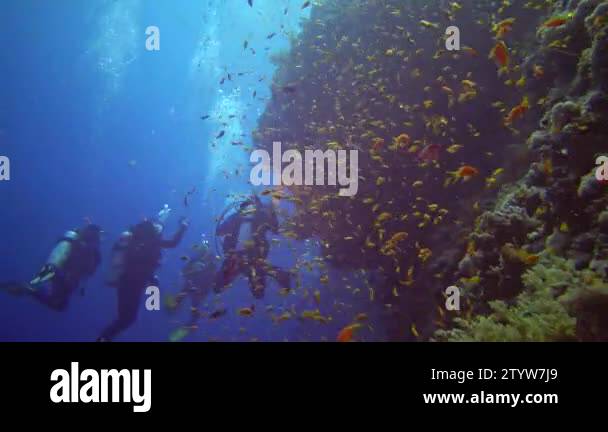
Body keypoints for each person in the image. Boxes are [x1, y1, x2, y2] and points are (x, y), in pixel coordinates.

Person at [98, 205, 188, 341]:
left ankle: (104, 338)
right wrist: (183, 226)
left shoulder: (137, 238)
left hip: (126, 280)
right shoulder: (152, 239)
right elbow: (173, 243)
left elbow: (140, 262)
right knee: (128, 318)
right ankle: (104, 338)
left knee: (126, 318)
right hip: (136, 283)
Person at [0, 223, 102, 311]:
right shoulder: (91, 249)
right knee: (59, 304)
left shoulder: (77, 243)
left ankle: (29, 288)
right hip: (66, 277)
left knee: (58, 303)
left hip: (58, 271)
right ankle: (28, 288)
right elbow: (89, 270)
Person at [215, 195, 291, 299]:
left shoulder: (235, 216)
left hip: (235, 258)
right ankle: (279, 274)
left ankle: (276, 274)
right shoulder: (261, 214)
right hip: (256, 255)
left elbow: (219, 231)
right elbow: (276, 229)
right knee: (259, 291)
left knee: (217, 287)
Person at [165, 238, 218, 341]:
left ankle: (190, 326)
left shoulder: (212, 265)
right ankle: (172, 310)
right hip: (190, 285)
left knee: (195, 308)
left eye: (205, 250)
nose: (203, 253)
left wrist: (202, 290)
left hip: (200, 290)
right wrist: (192, 271)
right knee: (180, 300)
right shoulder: (195, 259)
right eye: (202, 250)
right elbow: (184, 271)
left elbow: (212, 281)